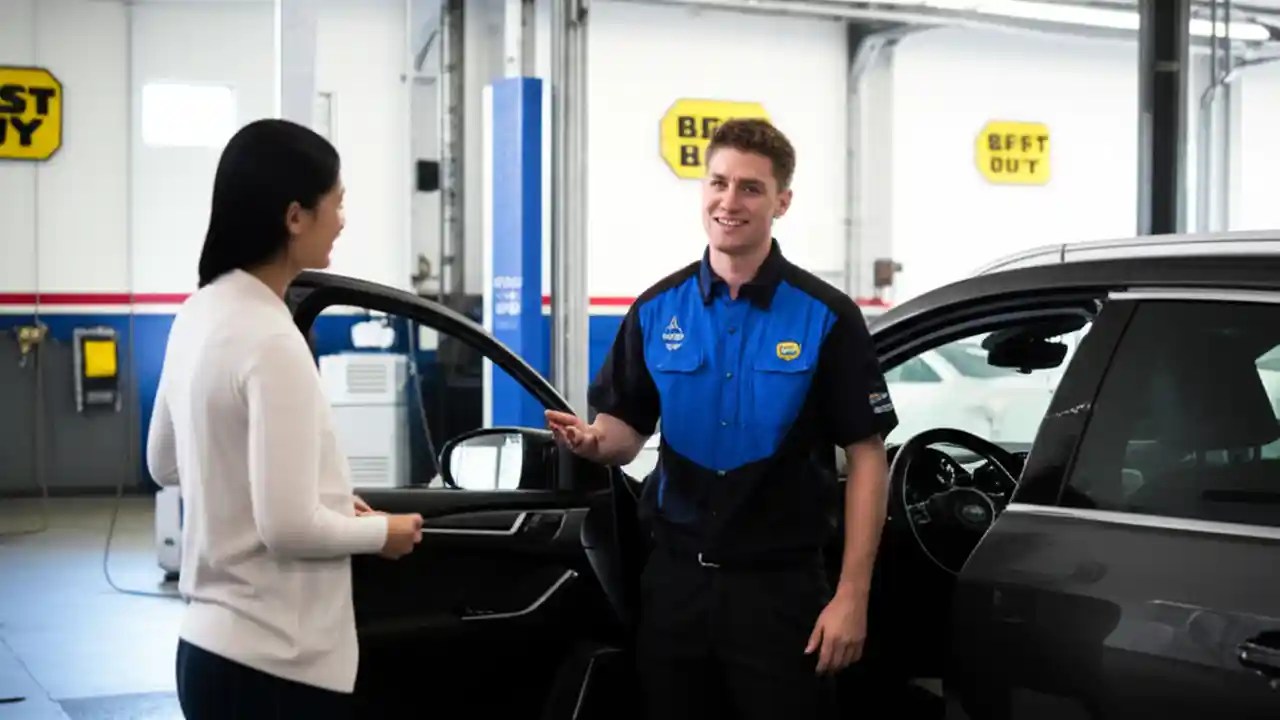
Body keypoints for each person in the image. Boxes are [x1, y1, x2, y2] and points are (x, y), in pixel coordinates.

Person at [546, 118, 898, 719]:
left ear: (781, 201)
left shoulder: (827, 317)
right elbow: (625, 434)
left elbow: (868, 458)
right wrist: (593, 440)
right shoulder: (657, 309)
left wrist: (852, 596)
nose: (729, 201)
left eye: (751, 188)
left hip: (782, 593)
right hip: (675, 587)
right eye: (718, 183)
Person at [146, 118, 425, 719]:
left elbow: (165, 462)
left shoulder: (198, 312)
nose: (343, 219)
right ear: (295, 216)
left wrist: (313, 496)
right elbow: (289, 528)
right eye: (338, 202)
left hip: (204, 650)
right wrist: (385, 533)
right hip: (277, 667)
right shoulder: (273, 339)